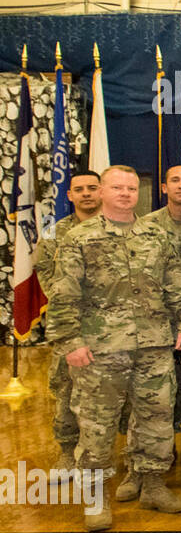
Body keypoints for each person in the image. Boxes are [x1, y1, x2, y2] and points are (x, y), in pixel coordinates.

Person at [45, 166, 181, 531]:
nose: (126, 193)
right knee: (97, 426)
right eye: (117, 187)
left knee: (156, 419)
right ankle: (96, 500)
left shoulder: (156, 236)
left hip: (153, 345)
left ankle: (153, 484)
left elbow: (176, 283)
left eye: (131, 188)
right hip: (100, 350)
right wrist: (70, 342)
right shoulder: (79, 238)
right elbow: (63, 296)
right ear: (101, 192)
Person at [139, 165, 181, 496]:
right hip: (157, 329)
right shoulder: (146, 227)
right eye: (175, 181)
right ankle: (149, 466)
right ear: (164, 187)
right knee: (155, 399)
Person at [34, 169, 101, 471]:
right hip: (70, 326)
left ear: (102, 192)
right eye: (80, 189)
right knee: (67, 391)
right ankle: (66, 449)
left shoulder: (120, 227)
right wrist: (68, 301)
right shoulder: (54, 232)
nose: (86, 193)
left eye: (92, 188)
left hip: (111, 326)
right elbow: (44, 271)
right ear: (69, 195)